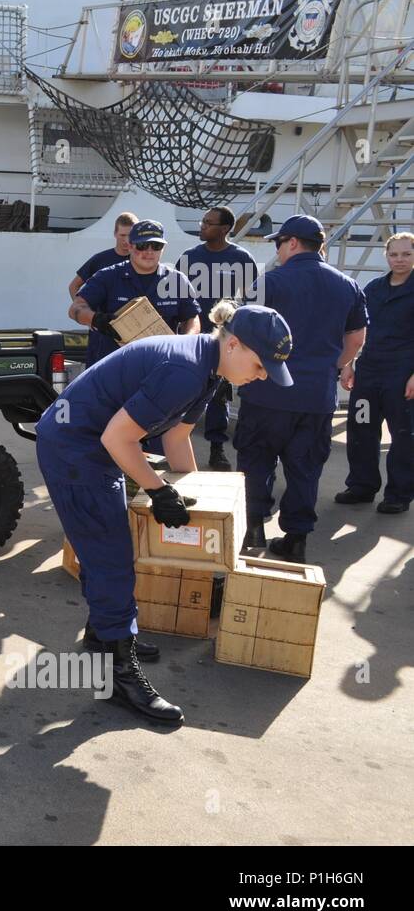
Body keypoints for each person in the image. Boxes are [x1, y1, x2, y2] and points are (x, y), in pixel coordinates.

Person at [36, 303, 294, 724]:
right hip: (76, 450)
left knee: (110, 550)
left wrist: (200, 500)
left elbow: (176, 440)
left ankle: (105, 636)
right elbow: (118, 438)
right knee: (112, 559)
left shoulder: (210, 370)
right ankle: (118, 675)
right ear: (233, 344)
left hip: (96, 448)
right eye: (261, 365)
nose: (261, 376)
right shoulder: (184, 371)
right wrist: (159, 491)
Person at [236, 215, 368, 561]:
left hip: (266, 393)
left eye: (279, 243)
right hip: (316, 397)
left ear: (292, 243)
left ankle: (253, 530)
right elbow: (356, 339)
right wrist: (332, 366)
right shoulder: (348, 285)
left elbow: (241, 334)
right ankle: (296, 539)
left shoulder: (270, 283)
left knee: (256, 461)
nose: (278, 250)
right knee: (305, 468)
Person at [337, 231, 414, 514]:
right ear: (387, 256)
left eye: (406, 254)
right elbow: (357, 329)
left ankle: (398, 494)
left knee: (403, 436)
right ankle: (361, 486)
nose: (400, 260)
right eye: (394, 254)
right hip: (368, 372)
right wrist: (349, 363)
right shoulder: (373, 289)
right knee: (361, 430)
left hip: (403, 373)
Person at [180, 206, 259, 472]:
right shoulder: (189, 258)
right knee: (180, 393)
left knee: (218, 396)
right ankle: (171, 445)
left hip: (223, 340)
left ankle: (216, 448)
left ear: (225, 229)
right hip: (191, 338)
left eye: (208, 223)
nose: (202, 226)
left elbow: (251, 300)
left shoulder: (241, 258)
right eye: (203, 221)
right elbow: (175, 299)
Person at [69, 219, 201, 368]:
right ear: (130, 246)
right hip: (114, 368)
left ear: (163, 248)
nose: (149, 252)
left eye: (156, 246)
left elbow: (192, 318)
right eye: (143, 245)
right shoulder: (108, 277)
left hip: (159, 367)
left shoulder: (177, 280)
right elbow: (76, 309)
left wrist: (185, 343)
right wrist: (98, 320)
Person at [66, 211, 137, 306]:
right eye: (122, 235)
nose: (126, 240)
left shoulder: (142, 260)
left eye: (130, 235)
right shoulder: (100, 259)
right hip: (103, 319)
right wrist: (83, 312)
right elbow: (73, 286)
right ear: (115, 234)